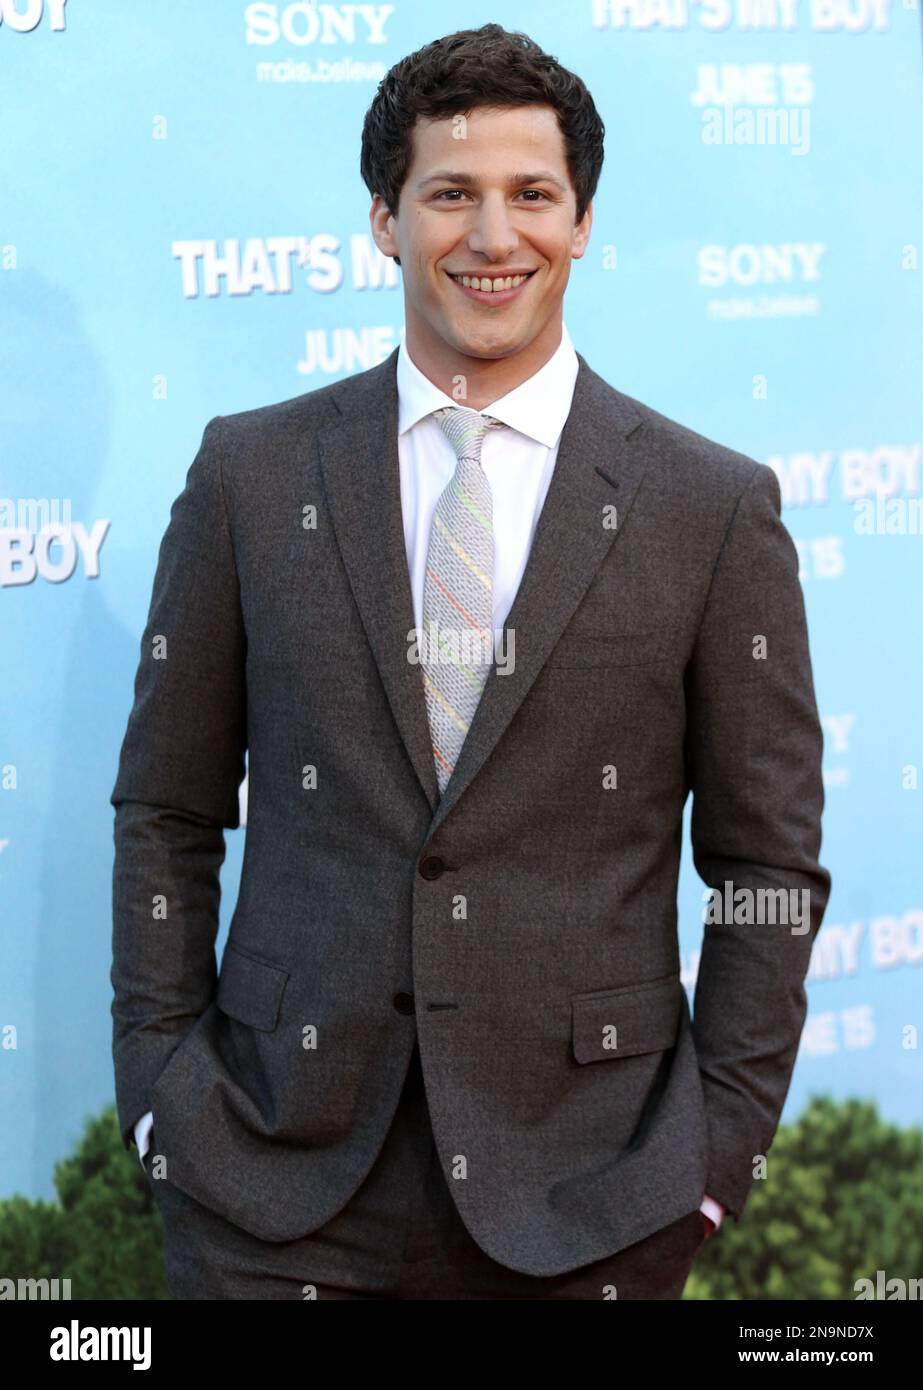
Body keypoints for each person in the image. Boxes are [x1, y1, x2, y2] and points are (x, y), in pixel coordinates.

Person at [110, 23, 830, 1300]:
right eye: (451, 193)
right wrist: (163, 1090)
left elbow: (765, 862)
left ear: (582, 220)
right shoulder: (250, 475)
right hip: (269, 1185)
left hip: (589, 1199)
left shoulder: (710, 509)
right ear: (386, 220)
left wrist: (714, 1154)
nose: (492, 237)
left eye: (530, 195)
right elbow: (166, 810)